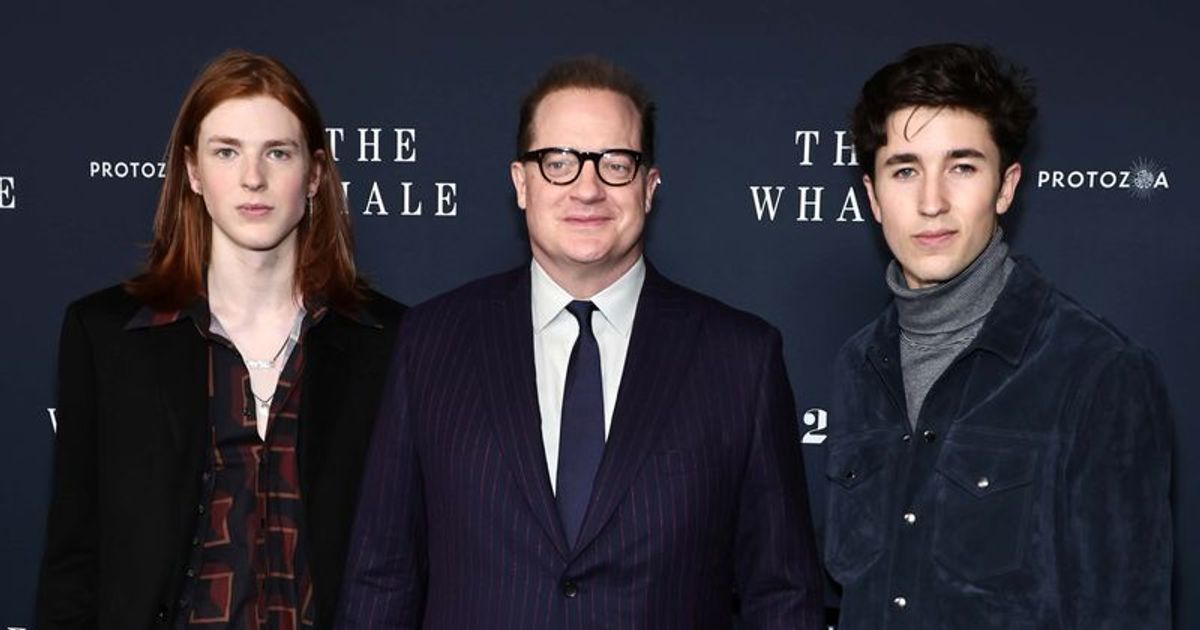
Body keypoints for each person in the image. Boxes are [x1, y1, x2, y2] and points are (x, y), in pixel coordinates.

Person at [338, 56, 823, 629]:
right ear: (522, 184)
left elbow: (781, 592)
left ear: (649, 187)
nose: (587, 189)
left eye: (615, 164)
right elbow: (382, 576)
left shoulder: (741, 358)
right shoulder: (432, 341)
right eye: (559, 163)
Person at [36, 50, 405, 628]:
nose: (252, 178)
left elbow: (410, 560)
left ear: (313, 174)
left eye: (277, 152)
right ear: (192, 171)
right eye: (226, 151)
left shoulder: (391, 341)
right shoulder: (107, 336)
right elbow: (74, 561)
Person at [825, 42, 1173, 629]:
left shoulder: (1097, 372)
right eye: (905, 170)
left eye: (962, 167)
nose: (931, 202)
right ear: (873, 196)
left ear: (1006, 187)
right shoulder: (858, 364)